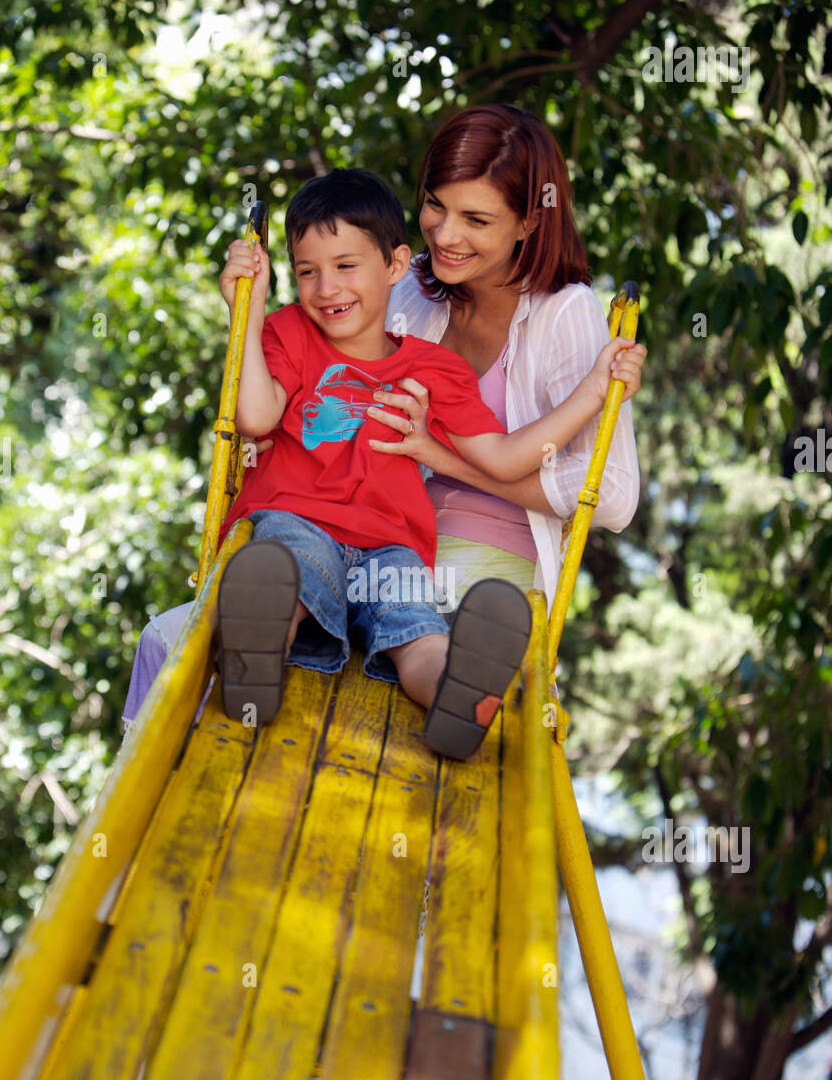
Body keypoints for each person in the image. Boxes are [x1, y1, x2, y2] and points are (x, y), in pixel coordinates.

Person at [121, 105, 643, 740]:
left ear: (530, 220)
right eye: (435, 206)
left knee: (413, 626)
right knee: (201, 618)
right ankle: (248, 659)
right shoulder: (407, 290)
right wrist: (251, 315)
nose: (444, 235)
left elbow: (602, 491)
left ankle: (463, 694)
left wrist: (449, 447)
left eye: (476, 219)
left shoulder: (561, 313)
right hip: (344, 530)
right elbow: (272, 401)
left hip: (436, 549)